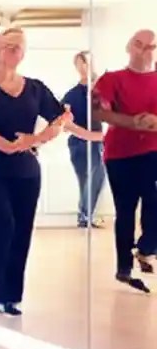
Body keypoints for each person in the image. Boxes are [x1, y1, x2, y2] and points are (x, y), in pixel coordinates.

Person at [0, 27, 73, 314]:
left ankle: (8, 297)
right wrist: (4, 145)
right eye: (9, 46)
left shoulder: (34, 87)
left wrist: (35, 139)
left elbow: (60, 118)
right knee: (1, 221)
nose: (14, 52)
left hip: (25, 171)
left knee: (20, 231)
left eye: (19, 47)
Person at [93, 30, 157, 292]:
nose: (144, 51)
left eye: (150, 46)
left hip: (152, 150)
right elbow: (98, 110)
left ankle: (145, 248)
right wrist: (132, 121)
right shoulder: (112, 79)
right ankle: (124, 268)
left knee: (152, 200)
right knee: (126, 209)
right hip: (120, 154)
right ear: (129, 47)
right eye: (139, 45)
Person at [63, 51, 107, 229]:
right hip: (78, 143)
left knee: (98, 176)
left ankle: (85, 214)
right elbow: (64, 122)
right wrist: (84, 134)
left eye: (89, 62)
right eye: (82, 63)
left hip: (98, 142)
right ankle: (84, 216)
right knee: (84, 180)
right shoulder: (71, 95)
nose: (86, 66)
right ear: (77, 66)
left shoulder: (102, 91)